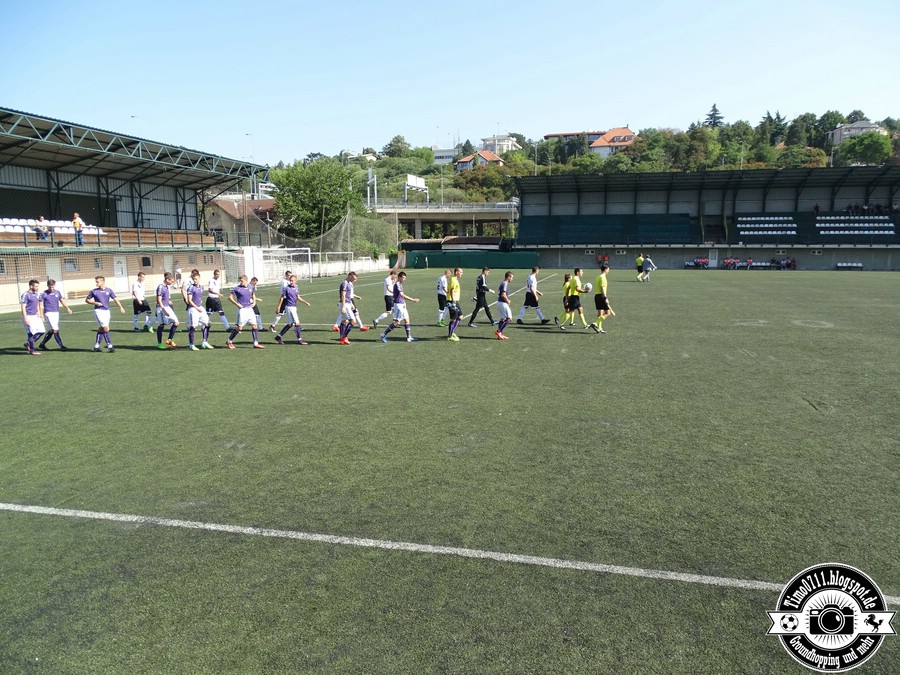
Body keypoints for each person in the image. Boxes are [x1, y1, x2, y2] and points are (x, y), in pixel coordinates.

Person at [85, 275, 125, 351]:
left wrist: (121, 307)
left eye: (97, 282)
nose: (96, 283)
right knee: (105, 328)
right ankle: (109, 345)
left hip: (107, 311)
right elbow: (87, 300)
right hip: (98, 311)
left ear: (102, 281)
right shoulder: (94, 291)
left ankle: (96, 346)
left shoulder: (109, 290)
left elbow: (115, 299)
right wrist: (95, 303)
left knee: (102, 328)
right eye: (96, 282)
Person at [226, 275, 264, 349]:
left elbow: (253, 295)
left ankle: (256, 343)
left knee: (254, 325)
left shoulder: (251, 287)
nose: (240, 282)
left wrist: (254, 302)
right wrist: (237, 304)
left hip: (250, 309)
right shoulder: (237, 288)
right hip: (242, 310)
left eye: (242, 281)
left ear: (246, 280)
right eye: (240, 281)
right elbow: (229, 297)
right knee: (239, 328)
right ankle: (229, 341)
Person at [379, 271, 419, 342]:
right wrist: (413, 300)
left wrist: (404, 302)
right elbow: (402, 295)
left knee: (407, 320)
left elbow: (401, 296)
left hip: (402, 305)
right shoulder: (397, 284)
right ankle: (383, 334)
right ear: (399, 277)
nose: (404, 279)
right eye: (403, 277)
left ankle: (408, 337)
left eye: (405, 278)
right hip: (398, 306)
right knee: (397, 323)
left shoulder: (400, 284)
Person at [274, 274, 311, 345]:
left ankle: (278, 337)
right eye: (290, 281)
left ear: (296, 281)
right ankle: (300, 339)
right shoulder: (287, 288)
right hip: (289, 307)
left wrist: (305, 302)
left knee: (290, 324)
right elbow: (282, 298)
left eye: (292, 281)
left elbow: (298, 297)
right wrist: (278, 307)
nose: (291, 282)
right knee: (297, 323)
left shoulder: (296, 287)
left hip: (294, 307)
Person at [37, 279, 73, 350]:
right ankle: (61, 346)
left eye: (52, 287)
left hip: (56, 312)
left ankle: (42, 344)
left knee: (52, 330)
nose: (51, 288)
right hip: (48, 313)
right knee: (56, 329)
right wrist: (41, 315)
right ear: (47, 286)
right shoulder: (43, 294)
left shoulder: (57, 292)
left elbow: (62, 301)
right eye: (50, 287)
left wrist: (68, 308)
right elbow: (40, 305)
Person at [184, 271, 213, 350]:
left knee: (208, 324)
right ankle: (191, 345)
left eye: (196, 279)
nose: (195, 280)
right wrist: (196, 308)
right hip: (193, 309)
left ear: (199, 279)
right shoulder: (191, 287)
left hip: (200, 307)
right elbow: (189, 300)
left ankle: (205, 342)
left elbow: (199, 297)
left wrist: (199, 304)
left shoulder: (201, 287)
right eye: (194, 279)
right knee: (193, 327)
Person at [155, 272, 181, 349]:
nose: (172, 283)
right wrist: (163, 309)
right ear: (167, 280)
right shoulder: (160, 287)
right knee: (161, 325)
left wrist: (168, 302)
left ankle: (169, 340)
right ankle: (159, 344)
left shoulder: (166, 287)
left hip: (167, 307)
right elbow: (159, 300)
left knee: (176, 323)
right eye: (171, 281)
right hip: (161, 308)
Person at [336, 271, 362, 345]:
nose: (354, 280)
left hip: (347, 303)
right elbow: (343, 295)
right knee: (353, 321)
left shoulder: (349, 283)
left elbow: (348, 295)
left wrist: (351, 303)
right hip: (345, 304)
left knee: (344, 321)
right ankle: (344, 337)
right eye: (354, 278)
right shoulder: (344, 283)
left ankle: (342, 338)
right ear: (350, 276)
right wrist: (344, 306)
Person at [20, 279, 45, 355]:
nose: (37, 287)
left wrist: (38, 312)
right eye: (36, 286)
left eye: (38, 286)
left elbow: (37, 304)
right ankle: (32, 350)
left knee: (42, 331)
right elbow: (23, 306)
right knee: (30, 333)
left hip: (35, 316)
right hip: (28, 316)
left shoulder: (37, 294)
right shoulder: (25, 295)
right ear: (31, 286)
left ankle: (28, 343)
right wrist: (25, 317)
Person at [590, 264, 614, 334]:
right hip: (601, 296)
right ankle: (595, 324)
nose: (609, 271)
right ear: (605, 269)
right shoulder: (603, 278)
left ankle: (600, 329)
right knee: (608, 313)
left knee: (600, 313)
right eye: (608, 269)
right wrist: (605, 298)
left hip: (597, 296)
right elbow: (602, 289)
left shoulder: (598, 277)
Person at [446, 267, 463, 342]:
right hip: (452, 300)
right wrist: (453, 302)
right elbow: (451, 290)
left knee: (460, 317)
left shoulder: (454, 280)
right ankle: (450, 335)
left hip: (455, 300)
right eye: (460, 272)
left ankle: (452, 332)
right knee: (453, 318)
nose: (462, 274)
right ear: (456, 272)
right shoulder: (453, 280)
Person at [495, 271, 513, 340]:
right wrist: (507, 300)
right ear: (508, 277)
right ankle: (499, 331)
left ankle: (500, 335)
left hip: (499, 302)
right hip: (503, 303)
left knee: (502, 319)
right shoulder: (504, 283)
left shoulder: (503, 283)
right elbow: (503, 294)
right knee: (509, 318)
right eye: (511, 277)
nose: (512, 279)